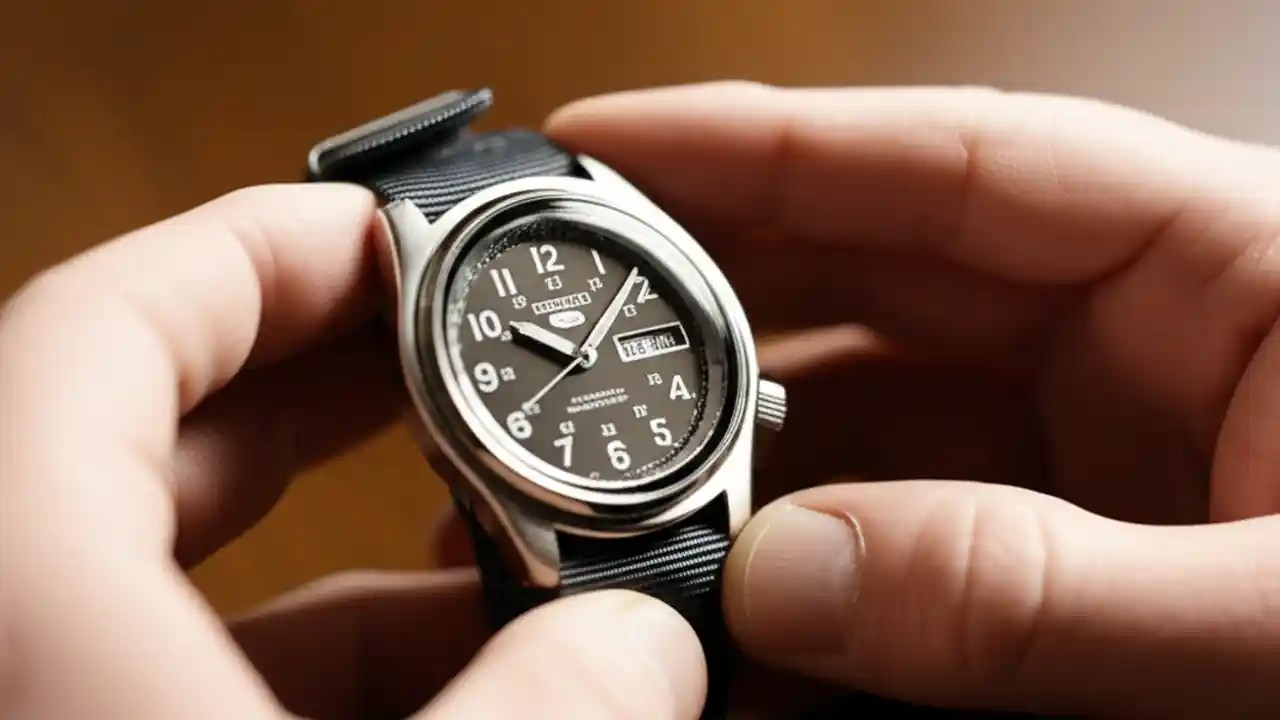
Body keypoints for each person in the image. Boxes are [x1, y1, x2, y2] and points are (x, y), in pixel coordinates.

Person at [3, 81, 1279, 719]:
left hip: (683, 471)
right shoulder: (558, 548)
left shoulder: (620, 257)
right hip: (587, 516)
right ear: (453, 441)